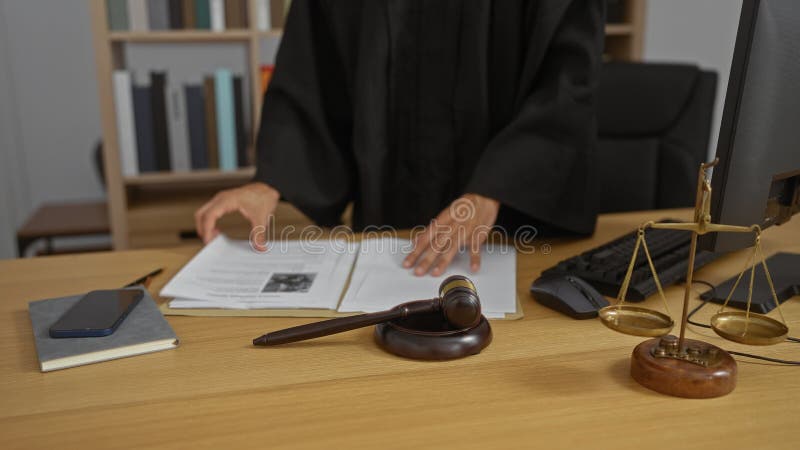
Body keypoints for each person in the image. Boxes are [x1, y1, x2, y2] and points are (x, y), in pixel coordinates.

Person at [196, 0, 605, 276]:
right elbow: (314, 62)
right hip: (390, 229)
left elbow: (567, 84)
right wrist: (273, 179)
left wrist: (495, 187)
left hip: (508, 237)